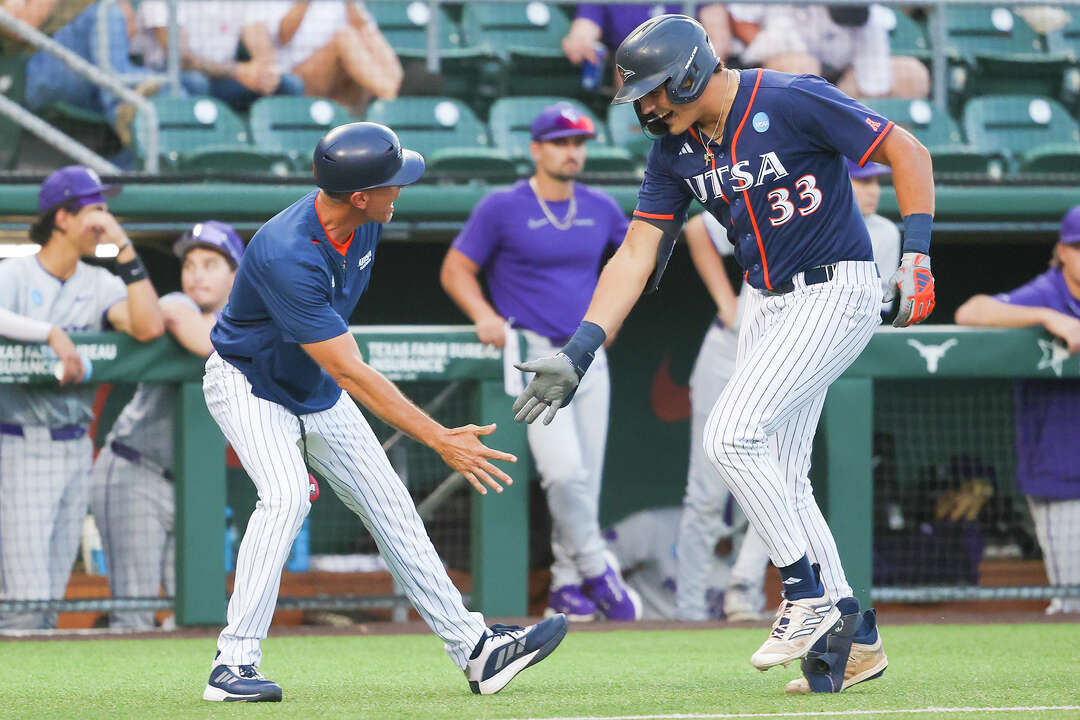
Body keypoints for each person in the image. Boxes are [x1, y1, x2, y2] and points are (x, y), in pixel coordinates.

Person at [512, 15, 936, 694]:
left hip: (837, 287)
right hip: (765, 302)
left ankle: (806, 596)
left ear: (688, 73)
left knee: (731, 435)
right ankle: (854, 640)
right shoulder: (674, 150)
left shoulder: (790, 97)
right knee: (785, 477)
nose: (646, 106)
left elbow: (907, 151)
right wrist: (581, 347)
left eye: (654, 90)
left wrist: (915, 255)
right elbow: (636, 253)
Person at [199, 122, 567, 702]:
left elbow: (334, 365)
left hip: (312, 383)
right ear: (360, 195)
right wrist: (440, 438)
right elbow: (350, 369)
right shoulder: (287, 252)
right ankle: (233, 665)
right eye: (393, 182)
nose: (404, 188)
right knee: (287, 494)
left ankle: (475, 649)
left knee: (390, 503)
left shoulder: (366, 223)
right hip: (250, 382)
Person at [440, 102, 639, 623]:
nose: (571, 151)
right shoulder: (502, 206)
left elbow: (634, 264)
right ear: (536, 149)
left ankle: (567, 587)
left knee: (587, 477)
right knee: (564, 471)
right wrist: (482, 314)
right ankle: (596, 569)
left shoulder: (600, 206)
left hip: (587, 351)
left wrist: (612, 320)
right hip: (533, 353)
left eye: (578, 143)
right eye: (560, 142)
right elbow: (456, 268)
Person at [0, 165, 164, 630]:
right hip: (19, 440)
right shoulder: (14, 274)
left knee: (50, 599)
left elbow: (149, 326)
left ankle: (36, 699)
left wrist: (125, 247)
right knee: (25, 603)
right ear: (63, 218)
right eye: (95, 209)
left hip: (75, 446)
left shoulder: (100, 283)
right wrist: (48, 332)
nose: (103, 219)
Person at [90, 221, 244, 630]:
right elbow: (198, 335)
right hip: (133, 469)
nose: (196, 273)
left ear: (237, 273)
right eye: (190, 263)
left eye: (210, 264)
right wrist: (255, 343)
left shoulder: (248, 316)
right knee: (135, 613)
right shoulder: (178, 302)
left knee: (200, 610)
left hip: (196, 484)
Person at [954, 205, 1080, 615]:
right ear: (1063, 251)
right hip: (1061, 474)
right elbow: (970, 312)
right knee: (1073, 602)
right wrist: (1047, 316)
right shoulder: (1049, 292)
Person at [676, 211, 771, 623]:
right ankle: (689, 612)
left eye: (876, 181)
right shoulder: (775, 189)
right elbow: (696, 227)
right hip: (728, 348)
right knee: (706, 494)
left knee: (778, 481)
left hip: (780, 353)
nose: (870, 189)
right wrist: (728, 304)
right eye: (863, 181)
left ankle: (744, 591)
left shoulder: (876, 232)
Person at [5, 0, 166, 144]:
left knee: (171, 89)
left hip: (93, 75)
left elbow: (130, 26)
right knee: (106, 13)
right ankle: (120, 103)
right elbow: (20, 27)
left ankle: (128, 162)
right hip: (36, 70)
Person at [728, 4, 930, 99]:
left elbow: (873, 84)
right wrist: (764, 46)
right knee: (800, 67)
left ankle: (866, 157)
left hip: (842, 76)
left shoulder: (872, 19)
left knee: (912, 75)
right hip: (785, 63)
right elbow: (741, 18)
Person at [137, 0, 303, 113]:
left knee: (289, 85)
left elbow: (259, 39)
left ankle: (278, 161)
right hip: (169, 76)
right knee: (196, 82)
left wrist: (266, 72)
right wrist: (238, 71)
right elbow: (181, 58)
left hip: (223, 78)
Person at [269, 1, 403, 114]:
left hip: (341, 83)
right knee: (344, 37)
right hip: (295, 79)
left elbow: (390, 66)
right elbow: (282, 37)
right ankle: (391, 103)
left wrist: (355, 11)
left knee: (366, 41)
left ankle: (389, 96)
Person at [563, 3, 732, 79]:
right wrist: (581, 43)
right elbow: (581, 33)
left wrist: (692, 65)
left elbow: (719, 40)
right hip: (633, 70)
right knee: (631, 63)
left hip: (686, 68)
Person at [847, 158, 901, 317]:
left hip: (862, 320)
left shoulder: (886, 231)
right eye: (864, 182)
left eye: (876, 182)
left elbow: (881, 304)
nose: (875, 191)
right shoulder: (811, 223)